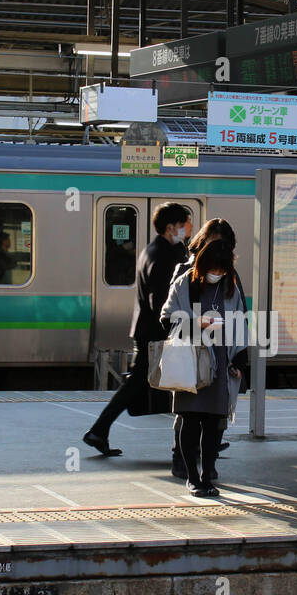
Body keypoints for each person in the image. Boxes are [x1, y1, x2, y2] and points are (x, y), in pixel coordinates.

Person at [82, 202, 192, 457]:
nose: (187, 230)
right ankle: (98, 430)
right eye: (184, 225)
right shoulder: (163, 254)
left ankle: (99, 431)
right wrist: (173, 326)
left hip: (148, 330)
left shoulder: (154, 249)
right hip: (155, 333)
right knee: (176, 381)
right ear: (170, 227)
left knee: (142, 383)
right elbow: (160, 299)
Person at [160, 240, 248, 497]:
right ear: (202, 264)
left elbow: (241, 324)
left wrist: (239, 362)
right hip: (190, 361)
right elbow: (166, 321)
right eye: (213, 268)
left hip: (220, 364)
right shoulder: (184, 284)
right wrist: (197, 322)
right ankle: (192, 478)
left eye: (222, 270)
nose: (217, 274)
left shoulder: (230, 288)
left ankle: (207, 474)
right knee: (190, 418)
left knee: (213, 423)